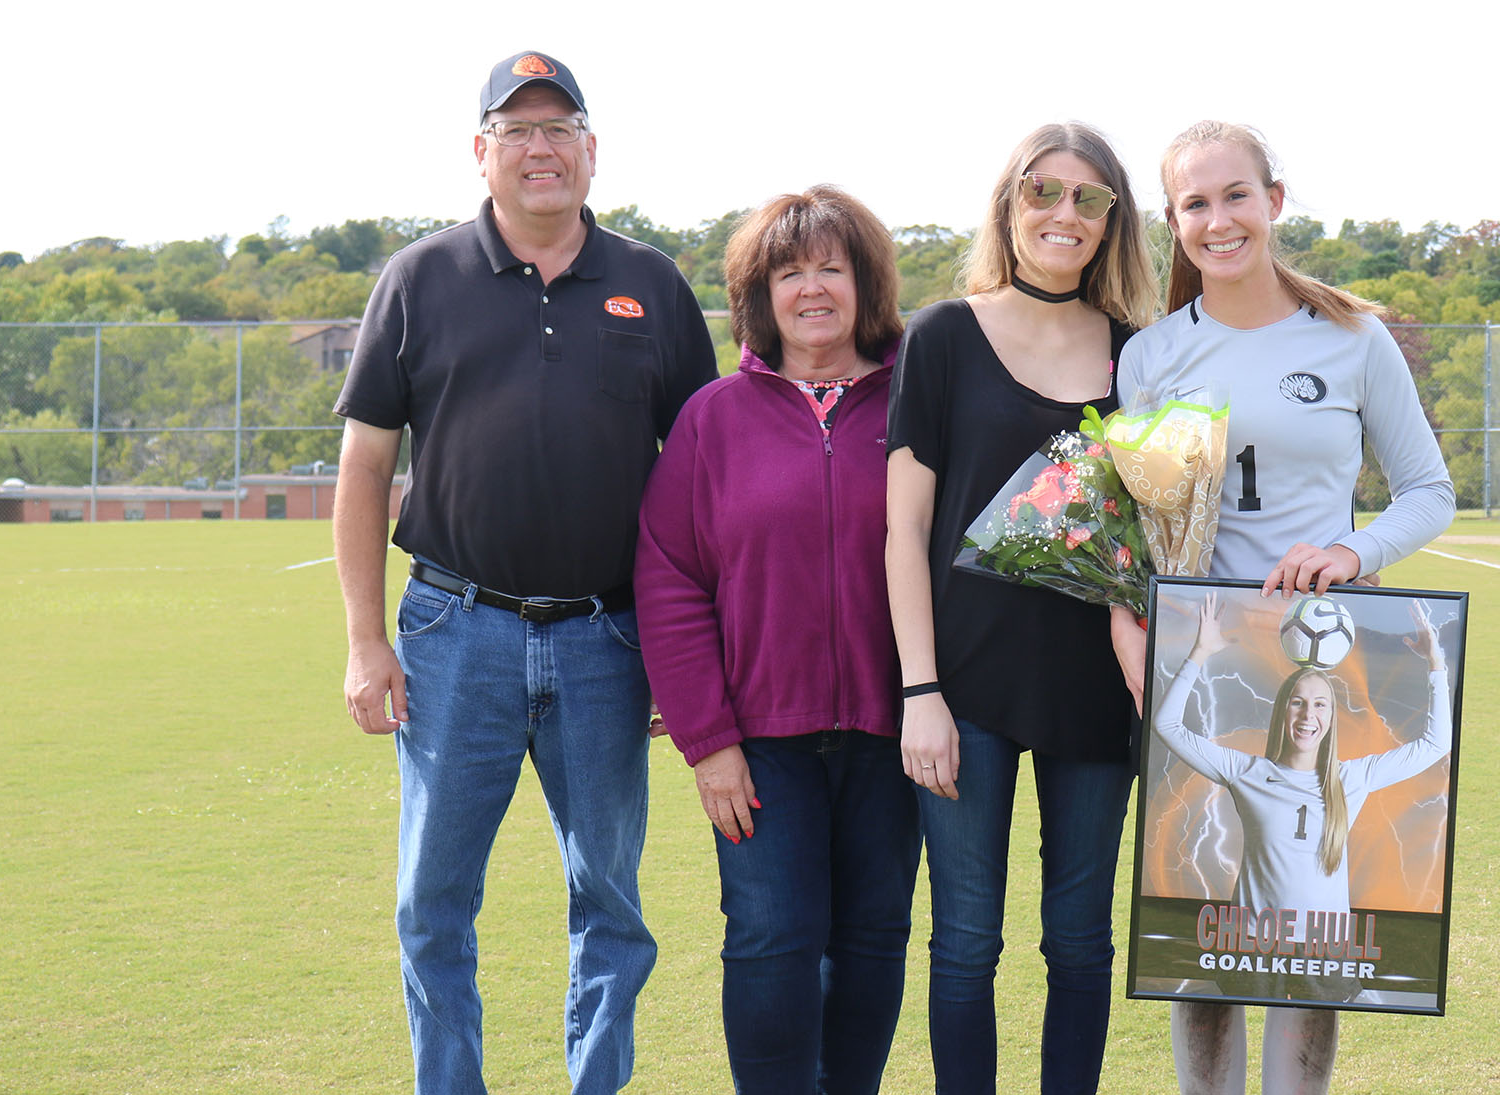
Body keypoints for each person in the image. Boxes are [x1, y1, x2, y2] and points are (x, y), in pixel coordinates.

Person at [332, 50, 717, 1095]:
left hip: (608, 640)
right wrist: (367, 645)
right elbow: (365, 468)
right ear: (481, 152)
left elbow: (696, 489)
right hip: (457, 634)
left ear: (590, 153)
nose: (538, 148)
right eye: (516, 130)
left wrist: (688, 658)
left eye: (559, 129)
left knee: (610, 904)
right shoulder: (419, 278)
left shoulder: (653, 285)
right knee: (432, 902)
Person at [1114, 120, 1455, 1094]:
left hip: (1318, 655)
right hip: (1203, 664)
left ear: (1273, 200)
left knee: (1311, 935)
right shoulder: (1148, 358)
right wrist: (1131, 630)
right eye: (1194, 204)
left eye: (1234, 196)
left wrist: (1351, 549)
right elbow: (1139, 526)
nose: (1217, 221)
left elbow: (1427, 490)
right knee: (1203, 929)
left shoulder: (1350, 338)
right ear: (1171, 221)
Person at [885, 122, 1160, 1094]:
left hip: (1097, 690)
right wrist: (917, 689)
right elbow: (900, 535)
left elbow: (1166, 527)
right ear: (1009, 202)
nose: (1064, 214)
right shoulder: (941, 337)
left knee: (1080, 944)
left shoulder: (1143, 356)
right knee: (963, 941)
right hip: (962, 688)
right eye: (1044, 191)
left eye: (1090, 199)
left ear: (1111, 222)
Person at [634, 185, 918, 1095]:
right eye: (790, 271)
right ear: (761, 294)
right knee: (769, 940)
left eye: (832, 267)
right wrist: (707, 743)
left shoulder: (918, 402)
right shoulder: (713, 418)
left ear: (866, 282)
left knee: (874, 936)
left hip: (898, 731)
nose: (812, 289)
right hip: (759, 743)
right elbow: (669, 578)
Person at [1149, 595, 1452, 1003]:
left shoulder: (1352, 778)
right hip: (1253, 951)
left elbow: (1436, 744)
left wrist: (1436, 663)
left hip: (1324, 956)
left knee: (1310, 1044)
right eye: (1298, 703)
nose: (1308, 715)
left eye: (1320, 705)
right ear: (1282, 711)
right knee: (1224, 1014)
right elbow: (1167, 726)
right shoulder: (1247, 772)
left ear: (1330, 718)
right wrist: (1199, 653)